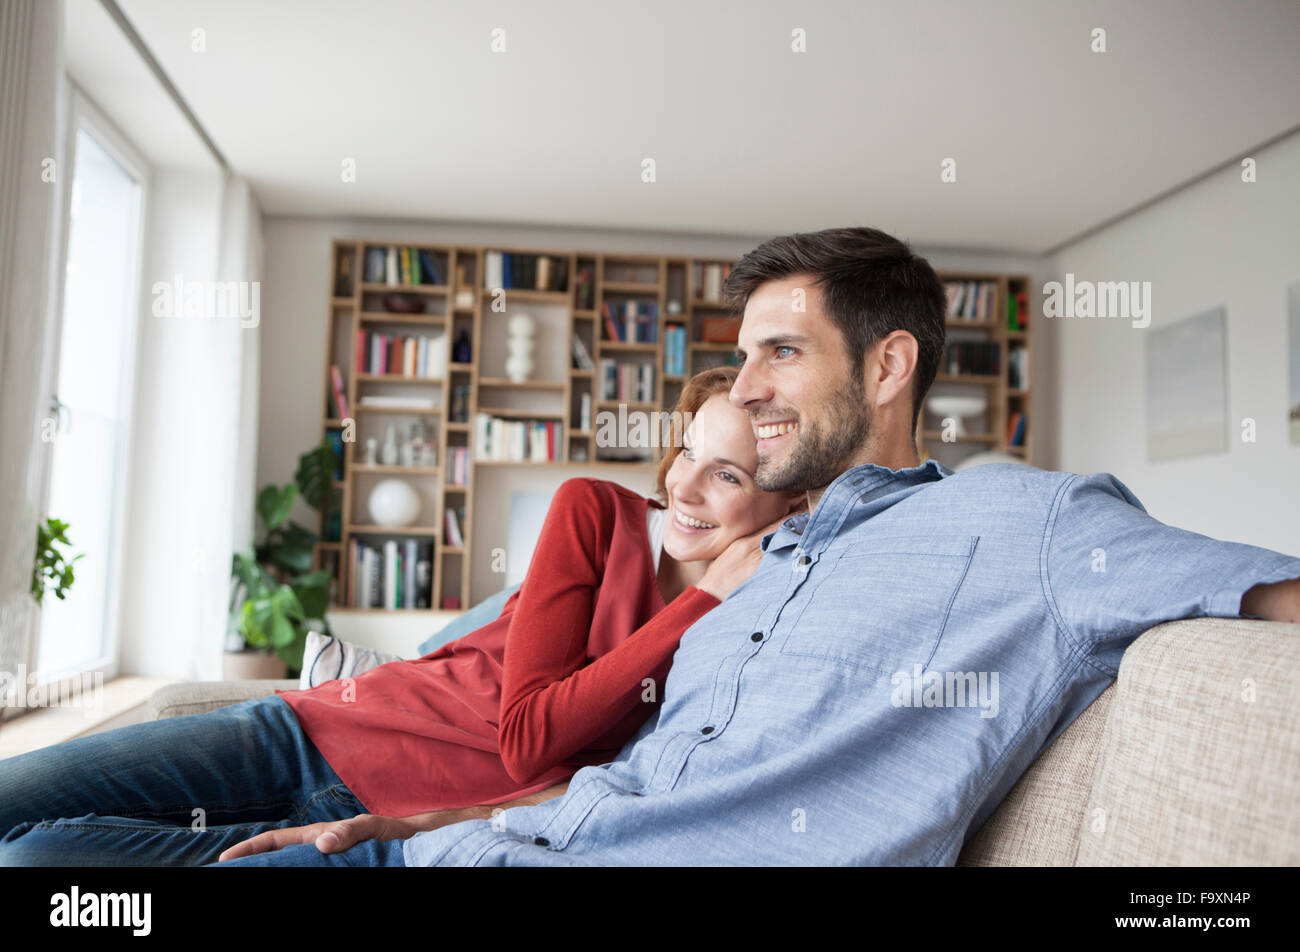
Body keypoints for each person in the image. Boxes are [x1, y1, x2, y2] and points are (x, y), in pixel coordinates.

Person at [207, 224, 1300, 867]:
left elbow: (1268, 591)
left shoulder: (1028, 521)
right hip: (450, 846)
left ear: (888, 367)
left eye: (779, 352)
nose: (744, 389)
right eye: (741, 358)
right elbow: (625, 774)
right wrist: (426, 819)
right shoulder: (775, 555)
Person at [0, 367, 805, 866]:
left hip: (387, 825)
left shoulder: (747, 631)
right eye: (688, 452)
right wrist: (703, 594)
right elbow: (530, 732)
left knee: (38, 860)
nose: (687, 488)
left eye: (728, 475)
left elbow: (566, 781)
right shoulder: (594, 511)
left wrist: (712, 600)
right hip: (304, 733)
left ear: (780, 505)